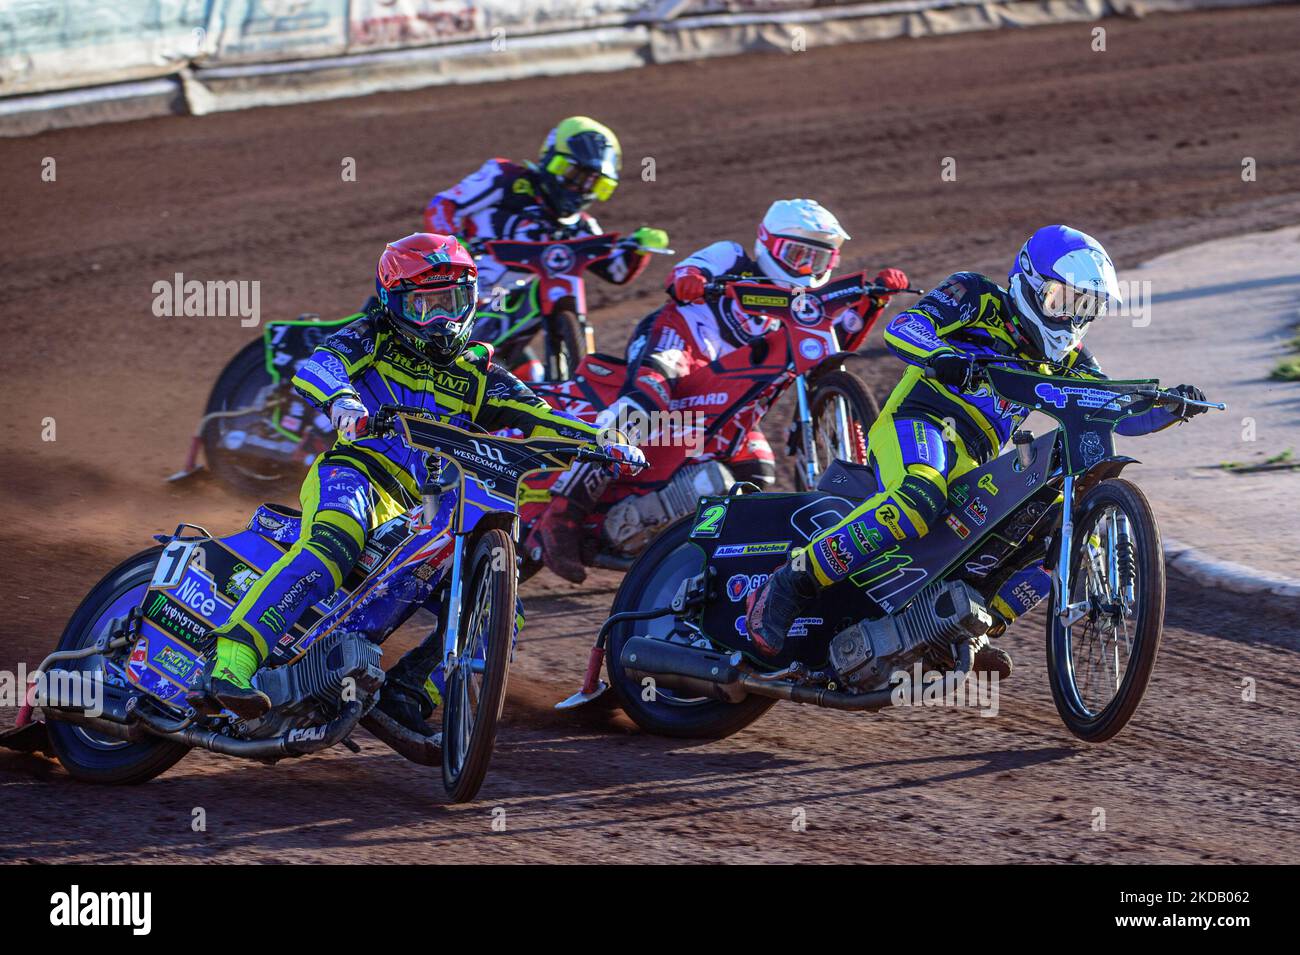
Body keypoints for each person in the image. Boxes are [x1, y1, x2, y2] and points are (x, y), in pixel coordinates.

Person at [189, 233, 643, 733]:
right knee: (334, 542)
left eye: (453, 303)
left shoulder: (478, 371)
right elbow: (319, 366)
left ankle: (406, 694)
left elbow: (542, 417)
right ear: (393, 302)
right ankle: (232, 660)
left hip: (422, 509)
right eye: (425, 305)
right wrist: (343, 402)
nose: (443, 319)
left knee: (497, 612)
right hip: (354, 473)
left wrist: (603, 439)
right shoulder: (372, 336)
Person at [745, 224, 1208, 663]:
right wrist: (944, 356)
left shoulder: (1072, 358)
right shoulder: (976, 295)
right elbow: (904, 326)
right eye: (1062, 299)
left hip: (976, 460)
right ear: (1028, 283)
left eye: (1084, 306)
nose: (1070, 316)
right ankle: (793, 579)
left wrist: (1169, 406)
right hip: (919, 422)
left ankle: (966, 628)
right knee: (919, 496)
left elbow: (1115, 412)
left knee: (1044, 528)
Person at [529, 198, 910, 583]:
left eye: (821, 261)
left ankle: (694, 551)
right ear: (768, 244)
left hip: (722, 401)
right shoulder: (731, 256)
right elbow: (686, 273)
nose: (808, 270)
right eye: (798, 255)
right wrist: (690, 280)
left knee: (757, 468)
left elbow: (830, 347)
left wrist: (874, 300)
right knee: (647, 403)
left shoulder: (804, 307)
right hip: (682, 340)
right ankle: (562, 514)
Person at [425, 116, 668, 375]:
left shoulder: (580, 227)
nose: (580, 188)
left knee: (532, 377)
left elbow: (616, 271)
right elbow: (443, 204)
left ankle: (574, 384)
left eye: (595, 183)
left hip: (510, 314)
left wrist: (640, 247)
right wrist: (455, 243)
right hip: (460, 299)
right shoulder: (505, 178)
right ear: (550, 158)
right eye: (573, 174)